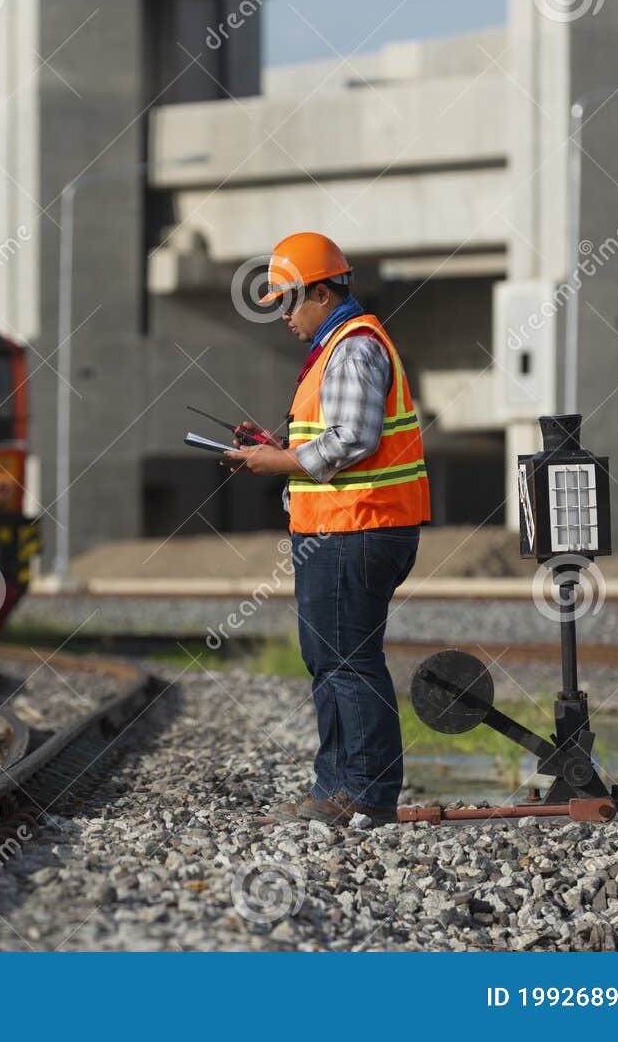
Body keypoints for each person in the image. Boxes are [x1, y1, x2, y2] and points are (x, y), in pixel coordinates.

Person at [225, 231, 430, 826]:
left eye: (289, 301)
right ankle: (337, 790)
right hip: (343, 528)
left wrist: (281, 462)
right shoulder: (338, 346)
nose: (284, 316)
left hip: (356, 528)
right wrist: (274, 446)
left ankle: (362, 795)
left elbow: (355, 440)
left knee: (347, 661)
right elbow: (335, 435)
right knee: (331, 658)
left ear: (320, 290)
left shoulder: (353, 347)